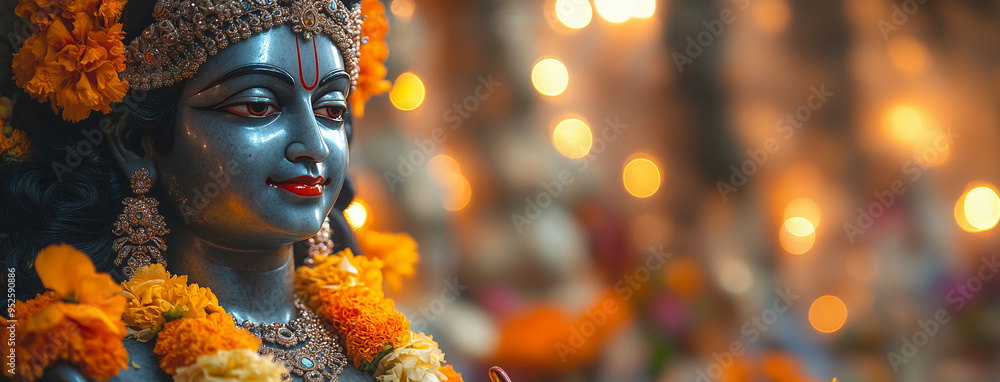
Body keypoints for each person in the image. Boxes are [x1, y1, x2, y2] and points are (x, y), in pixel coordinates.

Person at [0, 0, 469, 381]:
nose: (313, 147)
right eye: (257, 106)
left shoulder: (399, 354)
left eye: (330, 109)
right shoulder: (93, 364)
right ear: (136, 144)